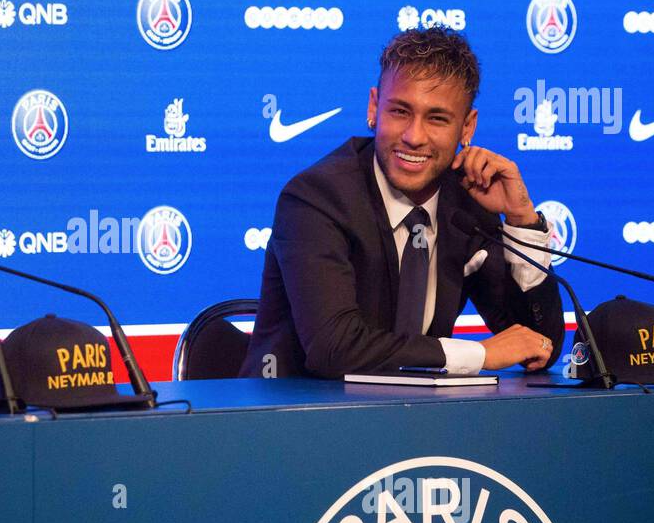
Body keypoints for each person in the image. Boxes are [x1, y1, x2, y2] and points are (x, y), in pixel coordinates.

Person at [242, 28, 565, 379]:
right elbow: (332, 348)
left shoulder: (467, 205)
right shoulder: (316, 198)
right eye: (399, 111)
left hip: (413, 422)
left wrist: (521, 220)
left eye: (437, 118)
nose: (413, 136)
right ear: (373, 107)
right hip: (294, 420)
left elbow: (539, 346)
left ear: (467, 126)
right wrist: (480, 354)